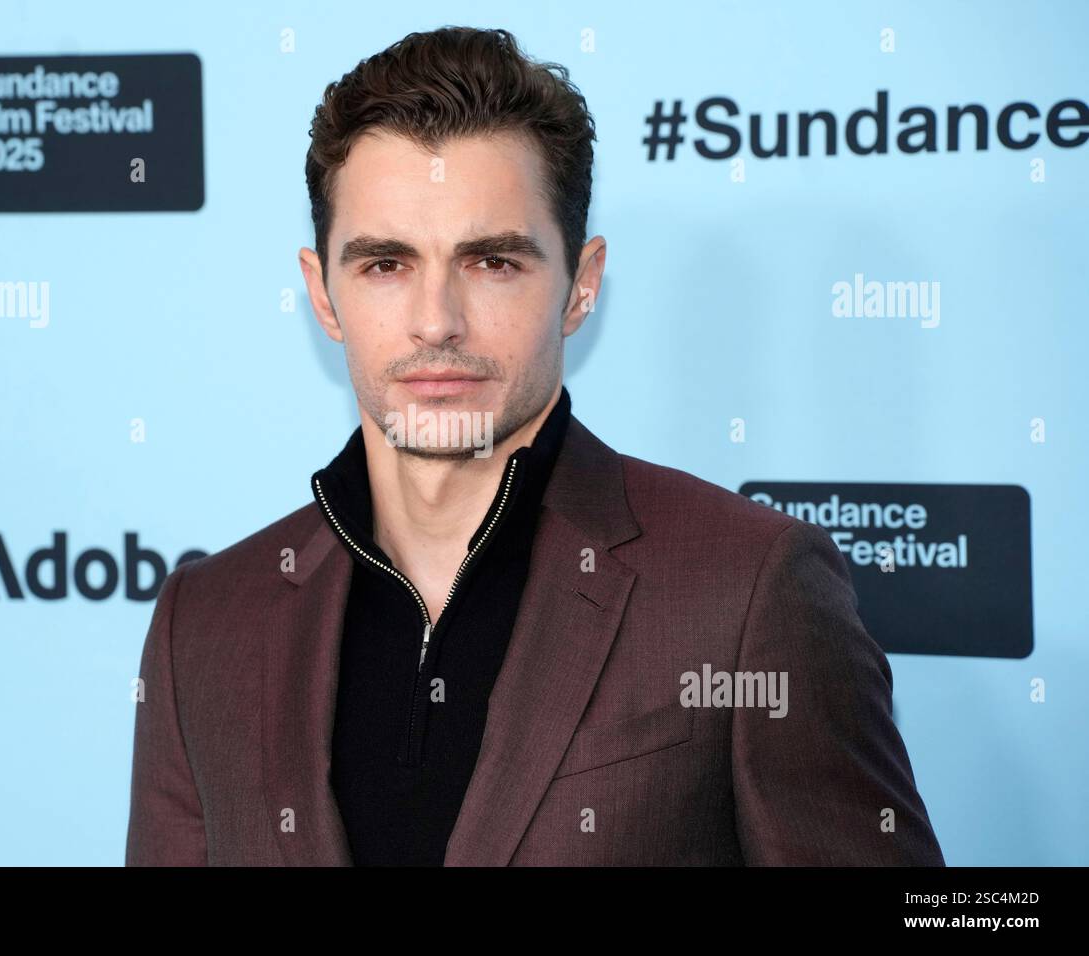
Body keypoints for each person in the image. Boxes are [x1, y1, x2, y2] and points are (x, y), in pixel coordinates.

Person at [125, 25, 945, 866]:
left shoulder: (746, 591)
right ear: (322, 294)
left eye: (491, 262)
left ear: (581, 285)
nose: (437, 321)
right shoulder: (207, 626)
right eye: (385, 265)